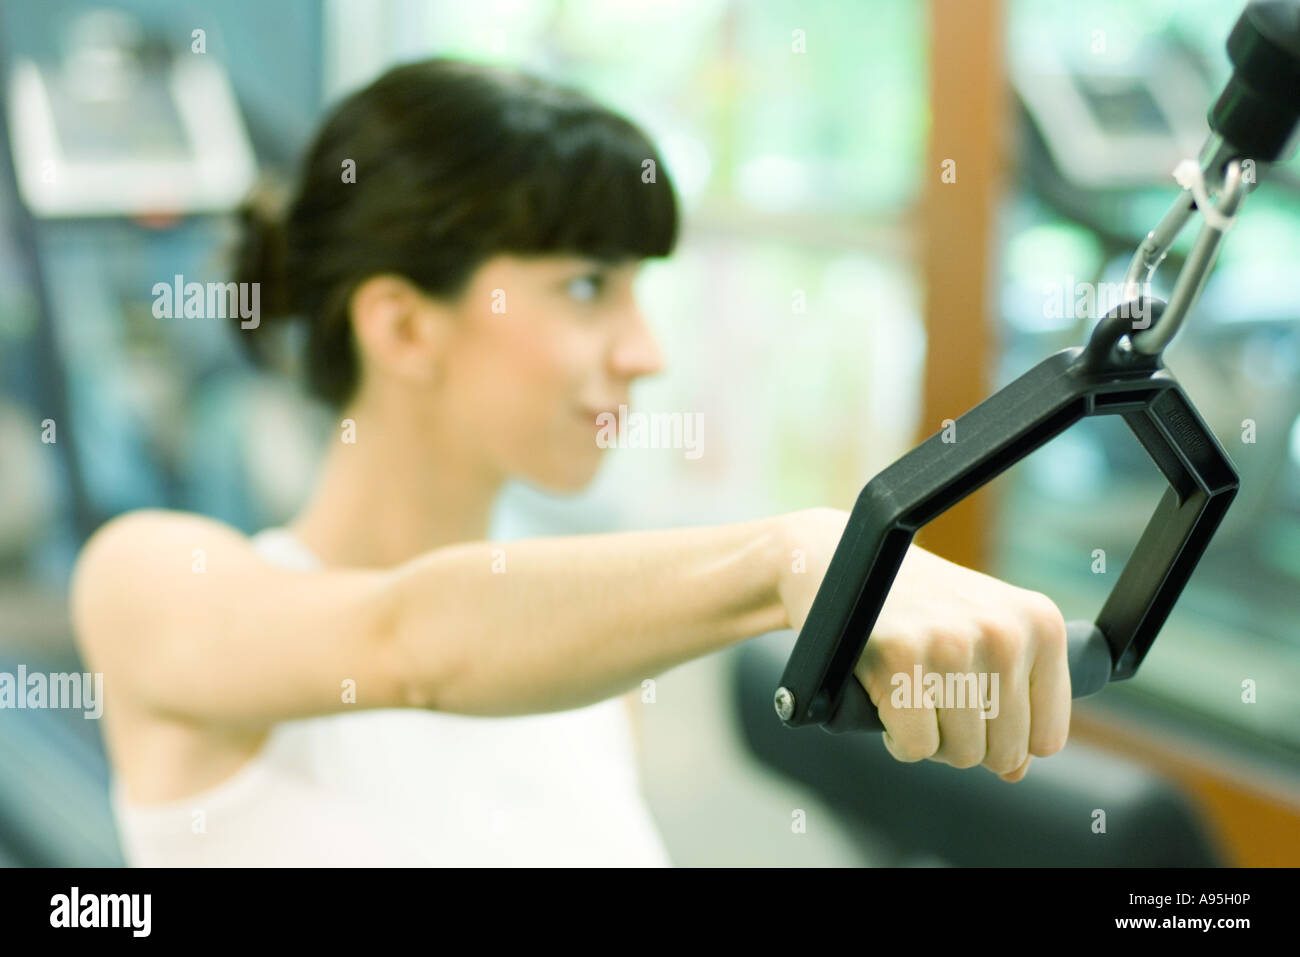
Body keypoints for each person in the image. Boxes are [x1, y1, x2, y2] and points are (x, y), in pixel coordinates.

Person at [69, 58, 1071, 867]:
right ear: (405, 325)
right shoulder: (149, 579)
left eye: (637, 289)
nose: (645, 352)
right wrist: (787, 556)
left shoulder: (575, 662)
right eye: (588, 287)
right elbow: (405, 643)